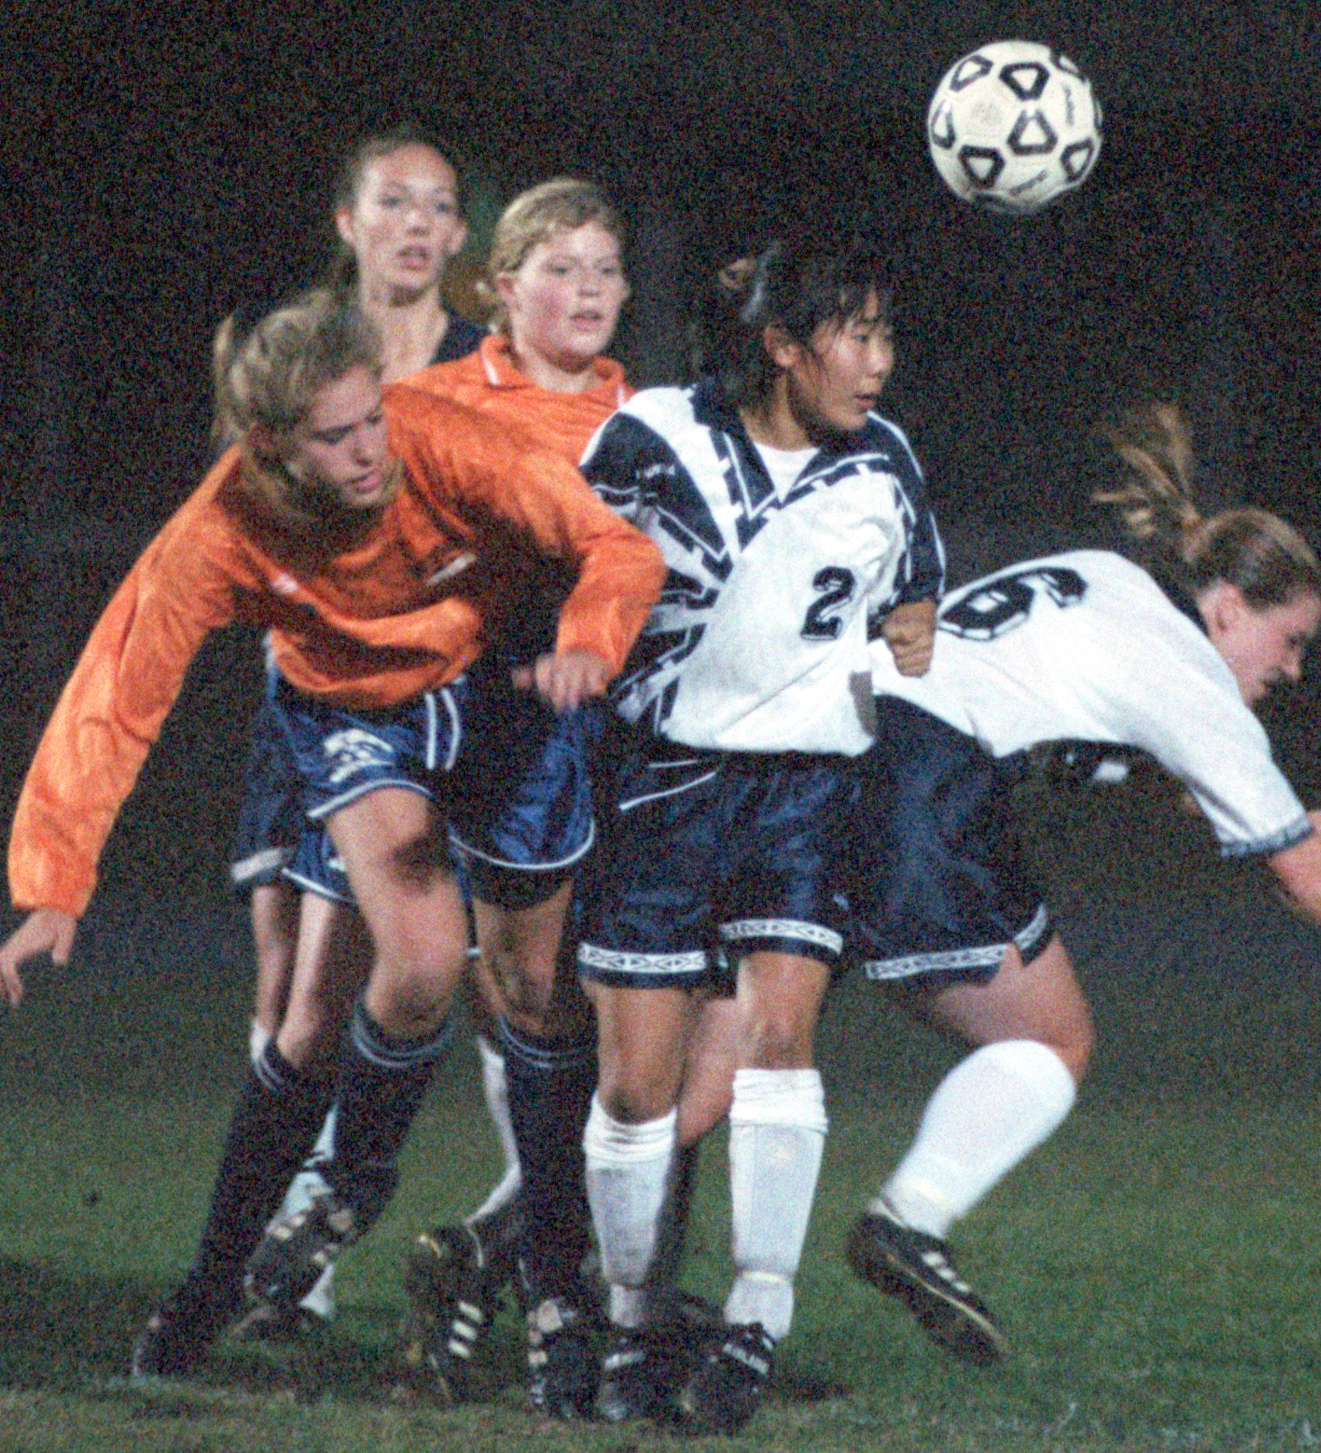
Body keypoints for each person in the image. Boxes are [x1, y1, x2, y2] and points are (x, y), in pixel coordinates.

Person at [0, 290, 665, 1381]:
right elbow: (117, 688)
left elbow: (612, 544)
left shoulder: (439, 438)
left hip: (501, 690)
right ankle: (254, 1252)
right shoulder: (222, 526)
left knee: (536, 996)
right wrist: (54, 883)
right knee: (420, 962)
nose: (367, 449)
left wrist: (589, 637)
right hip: (353, 715)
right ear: (270, 448)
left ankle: (555, 1286)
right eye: (335, 436)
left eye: (370, 420)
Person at [831, 401, 1321, 1366]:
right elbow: (1299, 873)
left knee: (730, 1045)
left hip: (823, 744)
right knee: (1053, 1040)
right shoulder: (1193, 674)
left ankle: (657, 1317)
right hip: (920, 784)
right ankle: (908, 1219)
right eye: (1289, 641)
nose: (1294, 670)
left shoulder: (1106, 578)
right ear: (1228, 606)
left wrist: (1275, 823)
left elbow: (1071, 732)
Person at [568, 234, 947, 1432]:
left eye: (888, 336)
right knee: (635, 1088)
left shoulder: (887, 462)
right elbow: (565, 564)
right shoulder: (651, 438)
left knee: (779, 1044)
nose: (880, 364)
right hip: (661, 780)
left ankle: (753, 1322)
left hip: (806, 785)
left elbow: (916, 594)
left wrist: (913, 631)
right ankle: (630, 1320)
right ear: (783, 346)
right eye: (857, 336)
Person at [292, 176, 636, 1407]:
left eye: (605, 271)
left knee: (629, 1058)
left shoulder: (652, 421)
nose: (586, 291)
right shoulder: (422, 404)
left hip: (614, 762)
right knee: (401, 984)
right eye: (560, 268)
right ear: (500, 287)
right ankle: (340, 1207)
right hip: (441, 740)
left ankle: (519, 1274)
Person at [227, 124, 495, 1330]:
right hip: (318, 705)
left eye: (440, 205)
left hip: (453, 707)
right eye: (394, 201)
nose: (420, 224)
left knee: (486, 971)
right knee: (291, 977)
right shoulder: (299, 358)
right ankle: (291, 1261)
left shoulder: (489, 363)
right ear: (347, 221)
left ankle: (524, 1242)